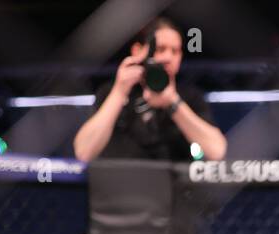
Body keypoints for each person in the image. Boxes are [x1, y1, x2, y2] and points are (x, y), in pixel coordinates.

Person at [73, 16, 226, 162]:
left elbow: (217, 151)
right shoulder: (110, 92)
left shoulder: (189, 96)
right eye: (160, 49)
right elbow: (84, 152)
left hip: (175, 187)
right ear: (138, 51)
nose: (168, 57)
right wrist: (119, 93)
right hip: (120, 185)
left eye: (175, 51)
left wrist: (173, 103)